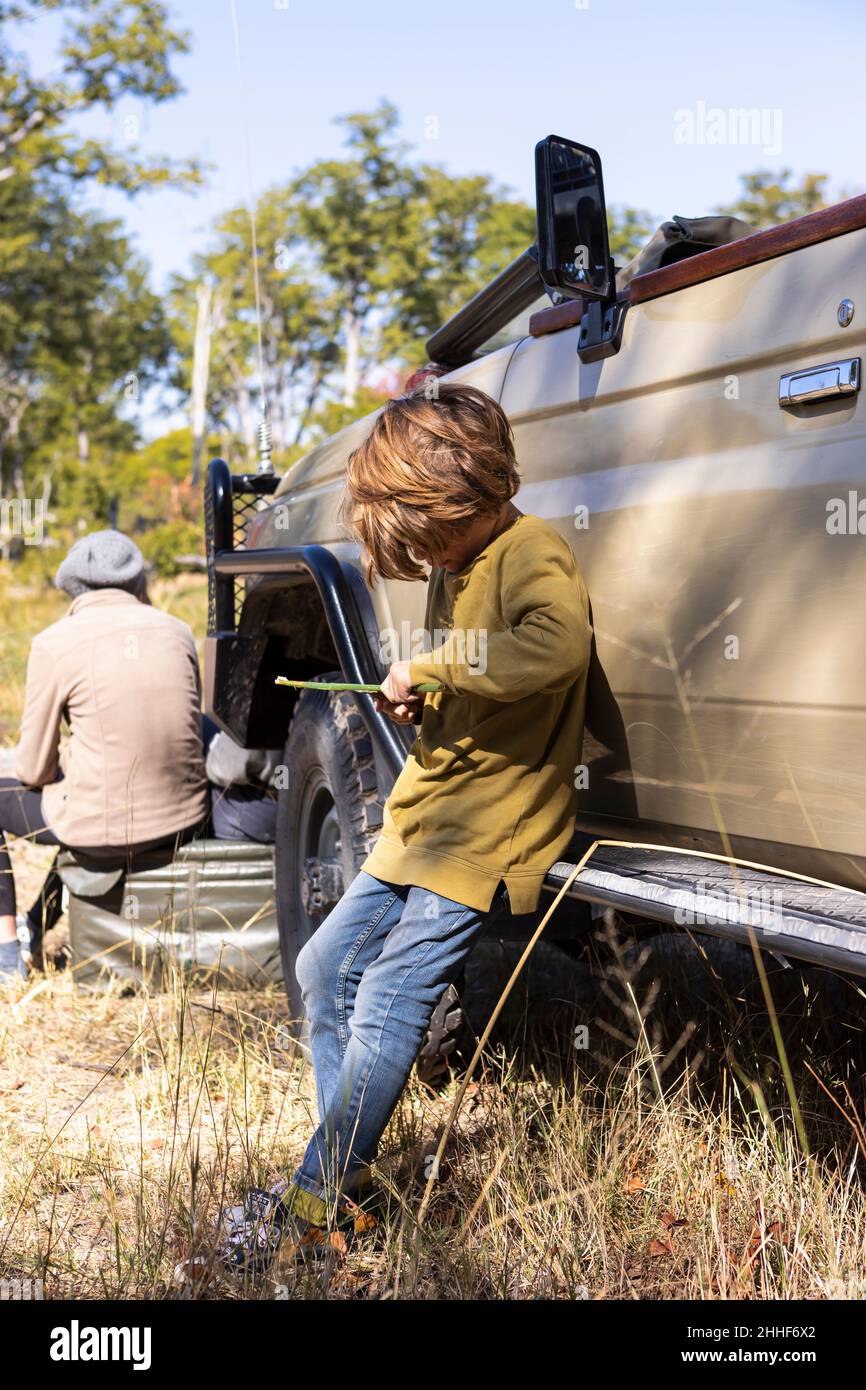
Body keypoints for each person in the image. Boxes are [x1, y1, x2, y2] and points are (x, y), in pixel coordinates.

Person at [215, 382, 594, 1272]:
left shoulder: (531, 549)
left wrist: (442, 665)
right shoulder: (461, 564)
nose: (427, 559)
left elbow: (557, 645)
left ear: (468, 497)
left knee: (388, 995)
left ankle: (315, 1196)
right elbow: (470, 682)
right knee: (322, 965)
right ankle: (344, 1180)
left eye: (433, 540)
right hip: (428, 810)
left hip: (489, 822)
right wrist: (429, 694)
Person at [0, 530, 209, 981]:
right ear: (138, 581)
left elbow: (33, 769)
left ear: (72, 587)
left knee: (63, 800)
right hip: (185, 820)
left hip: (104, 828)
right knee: (88, 791)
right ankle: (37, 921)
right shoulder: (177, 631)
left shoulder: (55, 642)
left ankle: (5, 953)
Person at [203, 720, 281, 843]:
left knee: (204, 727)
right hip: (292, 791)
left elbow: (230, 769)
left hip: (259, 816)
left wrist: (210, 756)